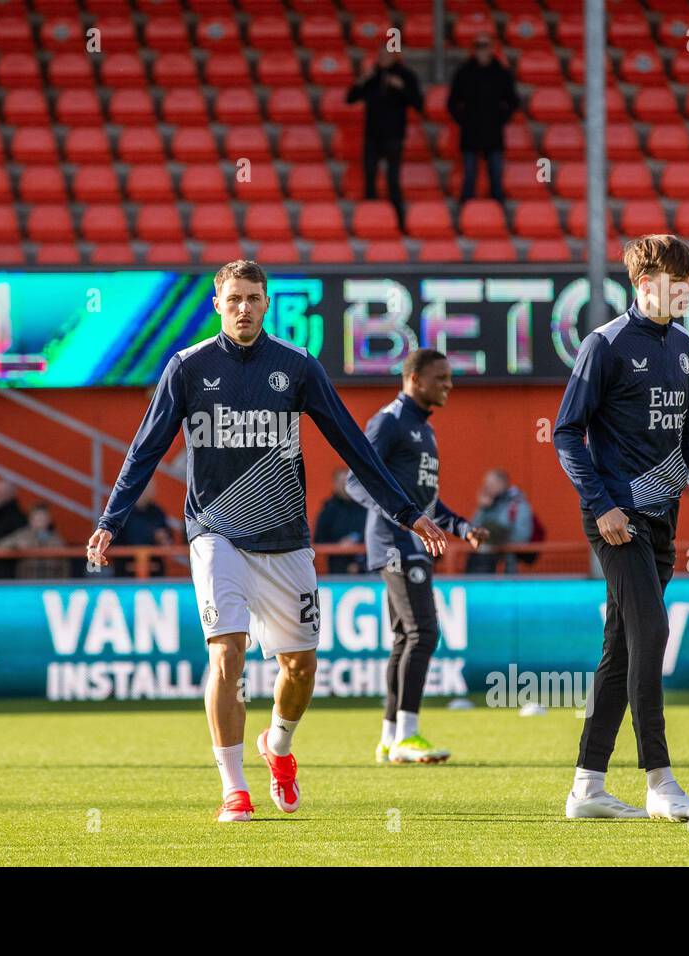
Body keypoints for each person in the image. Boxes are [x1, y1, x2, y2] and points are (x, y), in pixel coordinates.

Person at [86, 260, 447, 823]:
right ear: (216, 303)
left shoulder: (297, 366)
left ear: (266, 302)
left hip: (285, 537)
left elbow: (353, 443)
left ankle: (277, 747)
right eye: (234, 299)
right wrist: (111, 519)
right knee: (226, 652)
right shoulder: (187, 368)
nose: (244, 308)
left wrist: (406, 511)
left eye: (254, 298)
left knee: (301, 666)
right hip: (215, 532)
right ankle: (234, 788)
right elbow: (145, 448)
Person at [552, 235, 689, 822]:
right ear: (643, 281)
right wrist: (602, 504)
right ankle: (660, 781)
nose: (686, 289)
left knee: (621, 648)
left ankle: (587, 787)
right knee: (651, 632)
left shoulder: (682, 348)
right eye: (677, 278)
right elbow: (565, 433)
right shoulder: (603, 345)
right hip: (616, 519)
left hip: (662, 518)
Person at [346, 348, 488, 765]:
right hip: (395, 545)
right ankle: (408, 734)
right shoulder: (389, 422)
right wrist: (402, 520)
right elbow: (357, 481)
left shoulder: (424, 430)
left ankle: (391, 737)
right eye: (440, 377)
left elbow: (426, 501)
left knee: (406, 638)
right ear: (414, 379)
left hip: (411, 544)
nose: (449, 384)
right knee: (424, 633)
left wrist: (462, 528)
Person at [346, 48, 424, 231]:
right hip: (372, 135)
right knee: (370, 177)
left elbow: (418, 103)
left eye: (387, 56)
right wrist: (361, 80)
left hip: (394, 136)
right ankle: (369, 222)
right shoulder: (371, 75)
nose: (383, 59)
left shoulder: (406, 75)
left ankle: (399, 222)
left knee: (393, 180)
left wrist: (402, 88)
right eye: (380, 56)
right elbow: (350, 98)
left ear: (395, 57)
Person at [447, 35, 517, 208]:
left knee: (496, 177)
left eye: (485, 47)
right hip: (471, 131)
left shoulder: (501, 73)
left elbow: (513, 101)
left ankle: (498, 213)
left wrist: (501, 119)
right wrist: (463, 120)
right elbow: (452, 102)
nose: (482, 51)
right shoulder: (464, 72)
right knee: (469, 176)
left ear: (491, 49)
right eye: (479, 47)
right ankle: (466, 212)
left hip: (493, 131)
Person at [464, 469, 533, 574]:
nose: (486, 488)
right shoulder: (487, 506)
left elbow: (523, 534)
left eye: (490, 484)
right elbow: (472, 531)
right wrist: (483, 508)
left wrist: (501, 542)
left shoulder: (517, 504)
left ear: (502, 484)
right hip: (484, 556)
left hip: (508, 558)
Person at [113, 478, 177, 577]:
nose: (151, 492)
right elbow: (119, 539)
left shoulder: (157, 511)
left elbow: (167, 536)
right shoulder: (122, 512)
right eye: (147, 489)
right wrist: (152, 535)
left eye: (152, 489)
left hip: (155, 571)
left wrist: (164, 539)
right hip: (125, 572)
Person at [0, 502, 69, 579]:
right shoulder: (22, 535)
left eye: (43, 517)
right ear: (30, 519)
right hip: (27, 584)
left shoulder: (56, 539)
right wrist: (15, 545)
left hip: (50, 585)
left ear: (49, 520)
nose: (40, 520)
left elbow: (65, 568)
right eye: (37, 517)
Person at [314, 467, 367, 574]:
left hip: (364, 566)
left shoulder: (365, 507)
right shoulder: (327, 509)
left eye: (347, 482)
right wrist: (339, 546)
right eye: (341, 482)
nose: (344, 486)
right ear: (334, 484)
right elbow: (319, 540)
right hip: (336, 568)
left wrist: (356, 541)